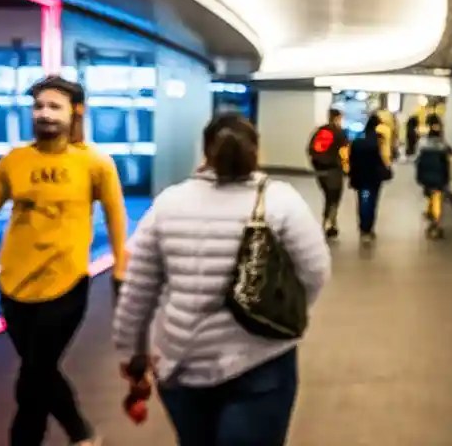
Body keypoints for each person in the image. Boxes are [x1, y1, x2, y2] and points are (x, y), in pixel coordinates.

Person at [113, 113, 331, 446]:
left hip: (182, 363)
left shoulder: (169, 203)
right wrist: (284, 310)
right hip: (262, 357)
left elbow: (138, 289)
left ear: (205, 152)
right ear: (257, 152)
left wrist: (131, 354)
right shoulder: (282, 201)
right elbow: (315, 272)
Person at [0, 75, 128, 446]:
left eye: (53, 106)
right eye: (38, 106)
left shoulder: (95, 163)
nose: (43, 114)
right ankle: (82, 433)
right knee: (39, 372)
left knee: (32, 378)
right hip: (13, 286)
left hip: (66, 284)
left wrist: (121, 269)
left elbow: (116, 218)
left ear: (76, 112)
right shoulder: (15, 161)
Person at [347, 113, 393, 245]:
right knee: (372, 203)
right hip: (374, 178)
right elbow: (385, 158)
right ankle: (368, 228)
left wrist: (351, 175)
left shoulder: (357, 140)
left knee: (363, 202)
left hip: (360, 178)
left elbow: (352, 160)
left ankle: (364, 228)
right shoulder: (379, 141)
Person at [415, 116, 452, 240]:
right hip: (440, 177)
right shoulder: (444, 146)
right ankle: (436, 222)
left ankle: (431, 215)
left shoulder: (422, 144)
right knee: (437, 198)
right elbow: (451, 161)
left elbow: (417, 160)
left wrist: (419, 176)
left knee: (431, 194)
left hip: (426, 177)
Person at [307, 109, 349, 238]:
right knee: (334, 197)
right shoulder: (339, 133)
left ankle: (328, 222)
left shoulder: (320, 131)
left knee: (327, 195)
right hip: (334, 170)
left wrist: (316, 166)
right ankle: (330, 223)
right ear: (337, 118)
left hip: (320, 171)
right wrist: (346, 169)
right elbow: (344, 153)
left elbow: (310, 149)